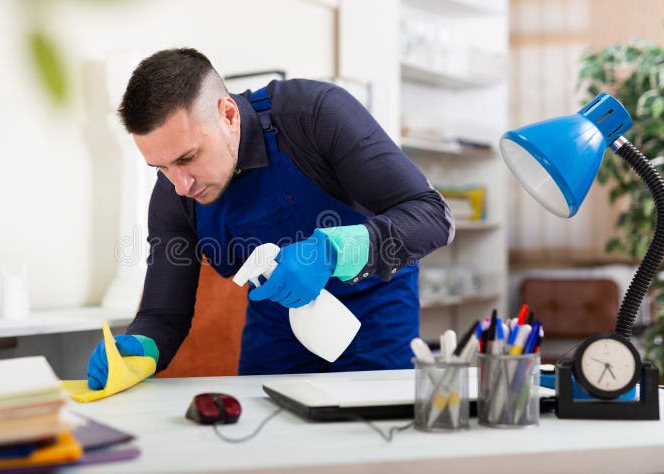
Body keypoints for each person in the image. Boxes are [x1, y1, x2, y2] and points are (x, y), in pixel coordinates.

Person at [87, 48, 454, 389]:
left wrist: (331, 251)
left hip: (375, 309)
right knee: (266, 444)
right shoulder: (174, 194)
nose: (180, 185)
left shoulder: (313, 115)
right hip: (276, 323)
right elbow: (163, 315)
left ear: (228, 115)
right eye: (160, 167)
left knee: (366, 440)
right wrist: (139, 346)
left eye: (187, 158)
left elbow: (433, 214)